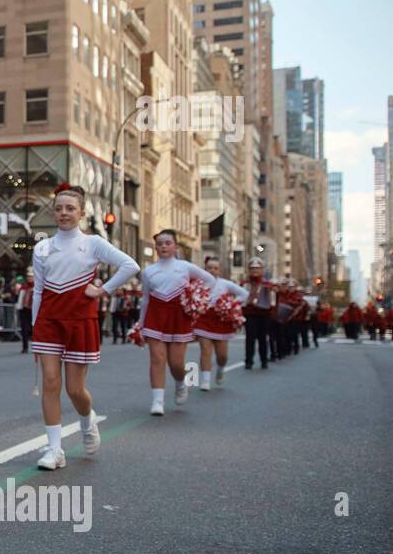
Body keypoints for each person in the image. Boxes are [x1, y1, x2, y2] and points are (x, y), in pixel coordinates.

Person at [30, 184, 139, 469]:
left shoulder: (93, 243)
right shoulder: (42, 247)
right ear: (53, 213)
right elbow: (39, 290)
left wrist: (103, 290)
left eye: (70, 208)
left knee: (75, 390)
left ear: (81, 212)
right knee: (50, 383)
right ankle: (54, 450)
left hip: (80, 319)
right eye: (59, 208)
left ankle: (87, 421)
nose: (64, 213)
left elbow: (130, 265)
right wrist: (34, 327)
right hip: (49, 321)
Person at [137, 230, 217, 416]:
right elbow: (146, 299)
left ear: (175, 246)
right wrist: (141, 324)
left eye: (168, 243)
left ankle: (181, 383)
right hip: (155, 316)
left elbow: (210, 281)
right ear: (156, 247)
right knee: (157, 359)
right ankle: (158, 401)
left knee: (176, 363)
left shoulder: (186, 267)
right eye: (160, 243)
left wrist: (196, 298)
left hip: (179, 317)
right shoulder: (148, 271)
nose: (164, 246)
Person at [192, 255, 248, 391]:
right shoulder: (198, 283)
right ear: (205, 269)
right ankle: (205, 380)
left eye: (215, 268)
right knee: (205, 350)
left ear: (219, 270)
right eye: (209, 268)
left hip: (221, 321)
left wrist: (231, 304)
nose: (212, 270)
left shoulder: (225, 284)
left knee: (222, 355)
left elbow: (244, 294)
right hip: (203, 319)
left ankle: (221, 369)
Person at [241, 257, 274, 369]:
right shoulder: (245, 283)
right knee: (250, 338)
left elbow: (272, 299)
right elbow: (239, 298)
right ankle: (248, 361)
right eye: (252, 268)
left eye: (258, 268)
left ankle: (264, 360)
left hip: (264, 315)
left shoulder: (267, 284)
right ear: (249, 270)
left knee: (263, 338)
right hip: (249, 314)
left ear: (262, 270)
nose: (255, 271)